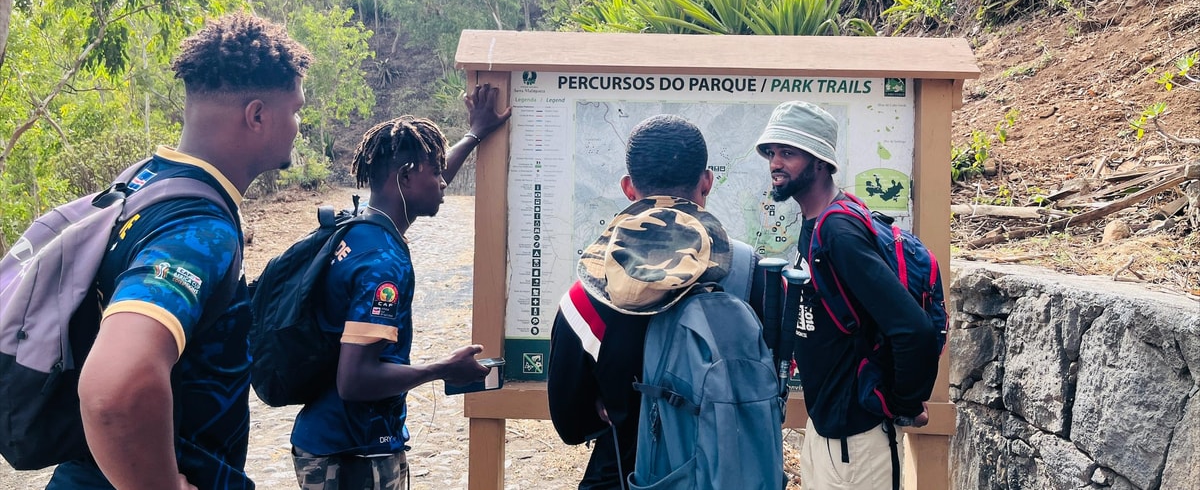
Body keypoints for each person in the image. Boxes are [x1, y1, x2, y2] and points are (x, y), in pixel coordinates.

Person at [45, 12, 312, 490]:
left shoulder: (143, 182)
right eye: (295, 109)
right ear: (257, 116)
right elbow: (113, 388)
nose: (298, 124)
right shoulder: (199, 228)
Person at [289, 89, 510, 490]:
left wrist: (475, 134)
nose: (444, 182)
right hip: (354, 454)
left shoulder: (361, 225)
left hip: (330, 437)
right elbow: (354, 381)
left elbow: (429, 188)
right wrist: (442, 369)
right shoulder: (382, 266)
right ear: (405, 177)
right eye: (435, 172)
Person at [548, 114, 763, 489]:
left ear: (629, 188)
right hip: (728, 474)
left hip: (622, 475)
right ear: (707, 181)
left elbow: (571, 425)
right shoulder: (750, 274)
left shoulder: (587, 293)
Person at [755, 100, 940, 490]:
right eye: (772, 152)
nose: (775, 162)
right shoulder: (815, 223)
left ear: (821, 161)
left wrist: (905, 406)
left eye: (789, 152)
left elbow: (913, 329)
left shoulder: (839, 232)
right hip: (824, 432)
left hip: (858, 443)